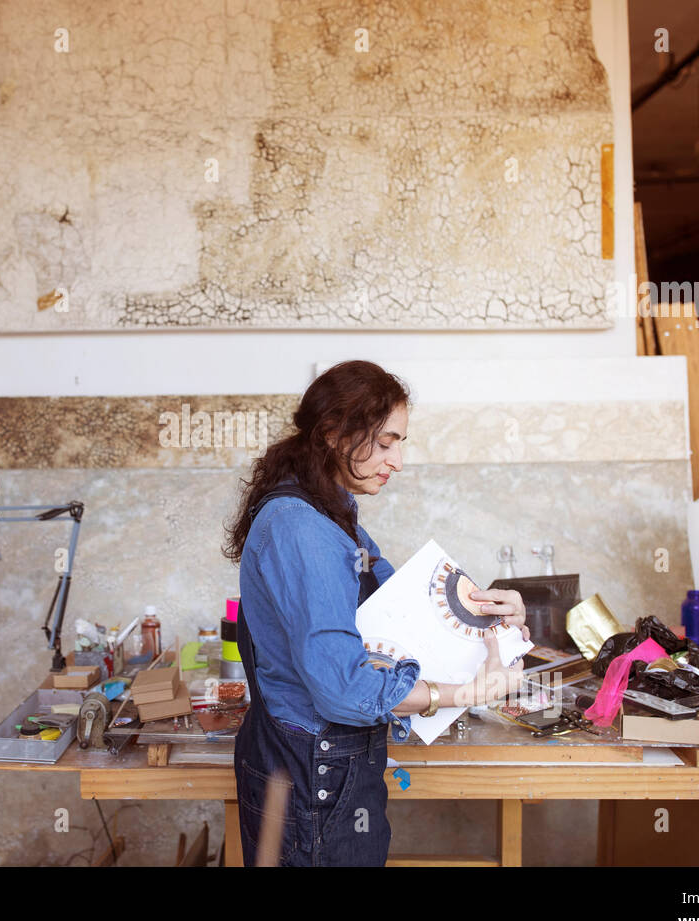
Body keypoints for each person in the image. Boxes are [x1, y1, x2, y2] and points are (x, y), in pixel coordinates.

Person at [223, 360, 528, 866]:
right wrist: (462, 694)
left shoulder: (334, 521)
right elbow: (344, 690)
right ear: (334, 434)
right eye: (386, 442)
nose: (399, 461)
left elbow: (406, 612)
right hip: (312, 778)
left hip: (319, 770)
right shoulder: (303, 530)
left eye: (400, 443)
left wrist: (492, 615)